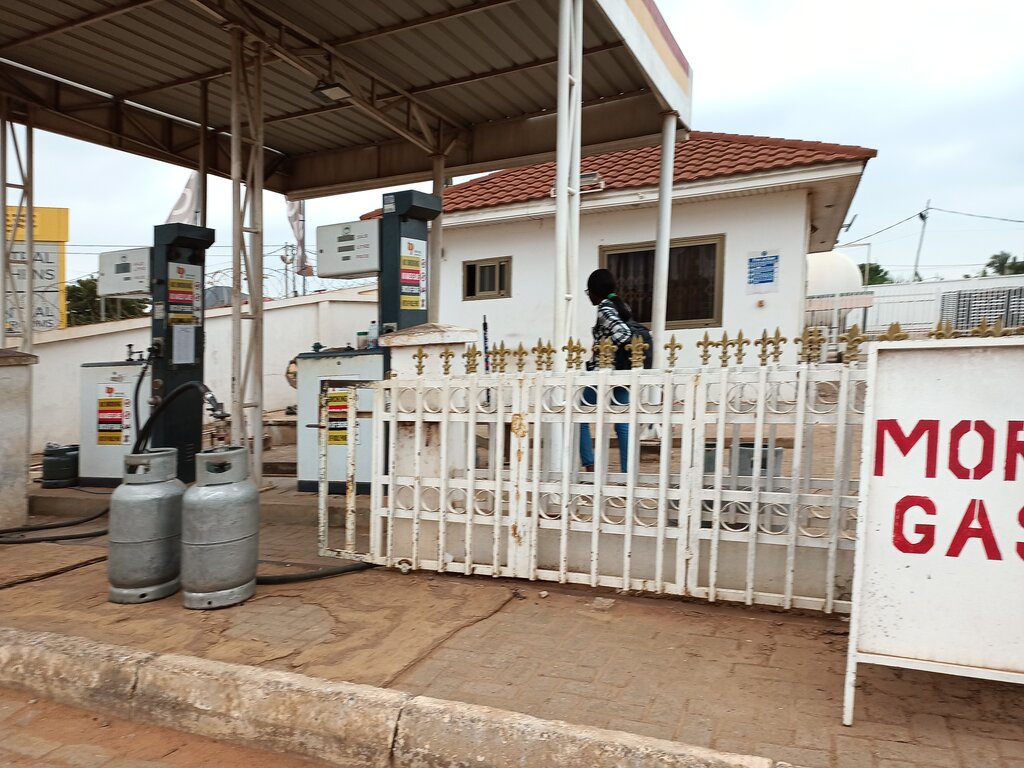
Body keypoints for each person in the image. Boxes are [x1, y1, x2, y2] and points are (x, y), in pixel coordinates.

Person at [580, 269, 631, 473]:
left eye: (588, 292)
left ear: (594, 292)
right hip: (623, 372)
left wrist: (604, 353)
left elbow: (623, 332)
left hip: (604, 374)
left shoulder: (604, 308)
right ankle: (628, 474)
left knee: (580, 416)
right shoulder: (622, 305)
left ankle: (590, 464)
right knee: (622, 423)